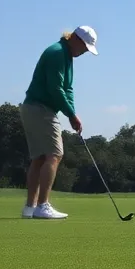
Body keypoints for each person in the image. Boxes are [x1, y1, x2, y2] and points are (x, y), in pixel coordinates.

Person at [20, 26, 98, 219]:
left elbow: (67, 88)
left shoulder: (65, 55)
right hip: (40, 108)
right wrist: (71, 115)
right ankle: (42, 206)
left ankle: (30, 207)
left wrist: (72, 113)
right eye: (85, 48)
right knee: (54, 154)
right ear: (76, 39)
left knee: (39, 158)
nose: (84, 52)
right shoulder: (57, 53)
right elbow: (55, 88)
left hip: (33, 107)